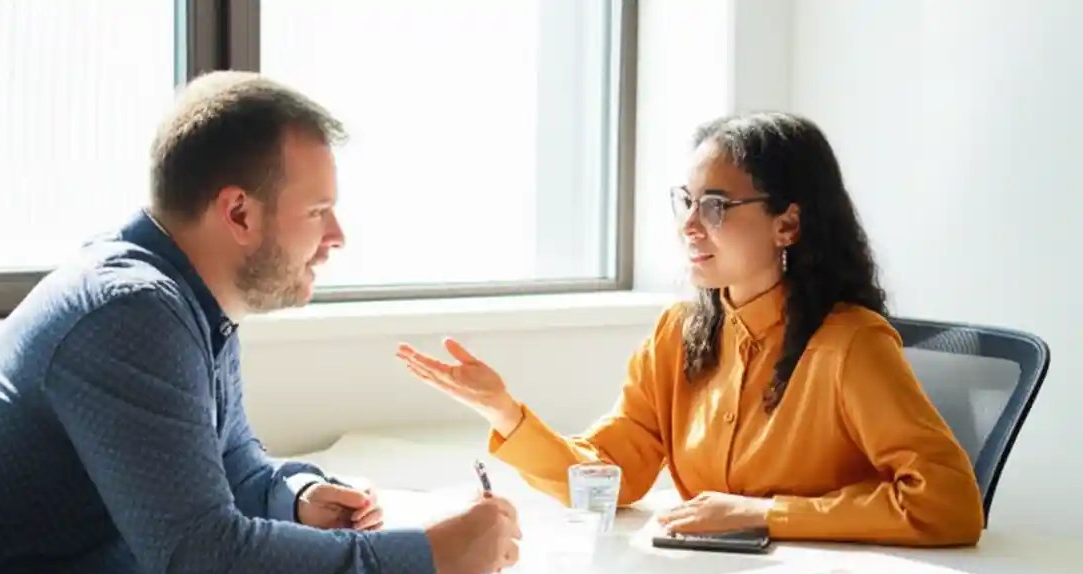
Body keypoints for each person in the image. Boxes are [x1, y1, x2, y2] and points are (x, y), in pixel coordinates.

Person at [0, 71, 521, 574]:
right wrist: (427, 557)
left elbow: (232, 462)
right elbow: (203, 564)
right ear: (239, 212)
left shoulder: (188, 300)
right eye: (318, 212)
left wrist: (294, 496)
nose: (337, 238)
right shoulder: (131, 312)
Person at [398, 112, 984, 547]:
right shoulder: (679, 334)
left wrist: (764, 512)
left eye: (717, 206)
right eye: (687, 202)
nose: (689, 227)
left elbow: (949, 505)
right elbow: (612, 477)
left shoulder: (851, 343)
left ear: (788, 223)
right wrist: (505, 413)